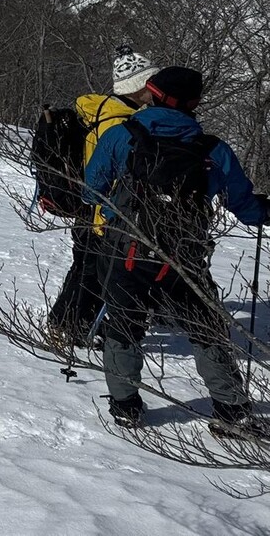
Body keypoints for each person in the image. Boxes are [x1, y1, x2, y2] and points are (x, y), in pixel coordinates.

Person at [83, 66, 269, 438]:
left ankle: (125, 408)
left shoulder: (123, 136)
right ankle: (232, 411)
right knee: (207, 328)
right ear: (195, 103)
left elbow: (92, 189)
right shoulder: (212, 149)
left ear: (150, 93)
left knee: (124, 325)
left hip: (127, 249)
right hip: (184, 257)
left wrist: (116, 212)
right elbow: (246, 209)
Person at [45, 47, 159, 346]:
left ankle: (62, 321)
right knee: (95, 273)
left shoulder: (100, 109)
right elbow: (108, 173)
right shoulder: (118, 121)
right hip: (99, 209)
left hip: (87, 204)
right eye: (151, 83)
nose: (155, 90)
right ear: (137, 87)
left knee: (84, 267)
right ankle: (76, 328)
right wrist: (106, 218)